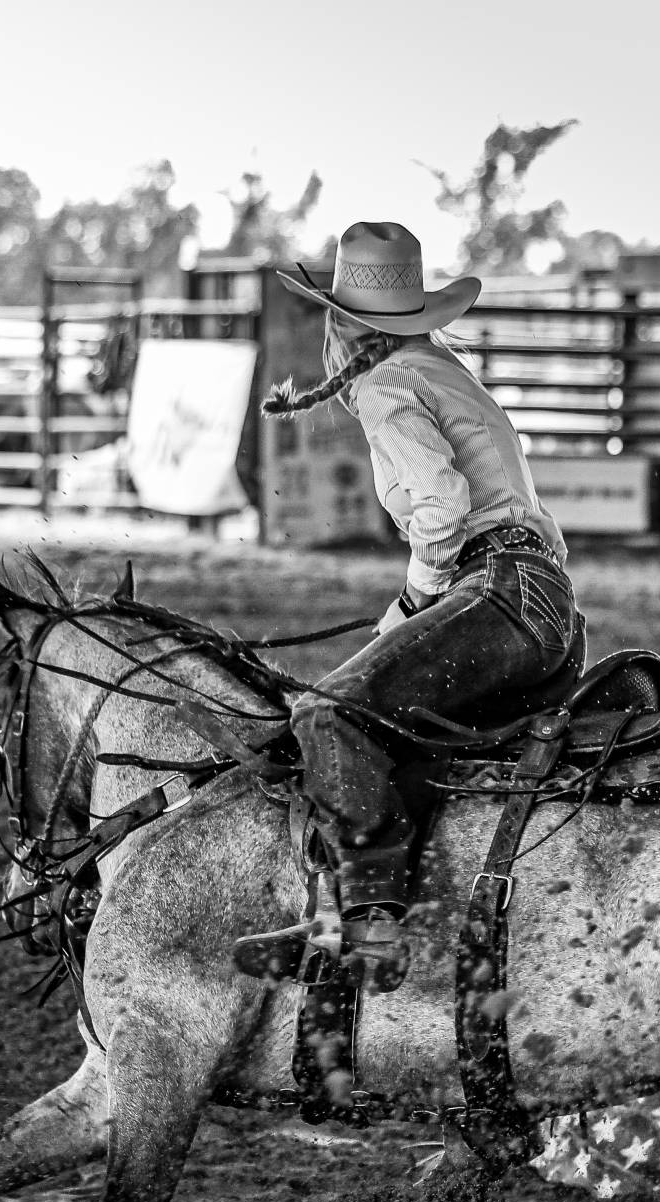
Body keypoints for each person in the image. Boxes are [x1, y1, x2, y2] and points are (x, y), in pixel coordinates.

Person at [233, 222, 582, 989]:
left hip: (498, 592)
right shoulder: (437, 366)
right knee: (400, 726)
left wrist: (416, 595)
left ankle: (365, 923)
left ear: (339, 322)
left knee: (326, 714)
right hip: (544, 600)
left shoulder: (385, 383)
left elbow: (440, 506)